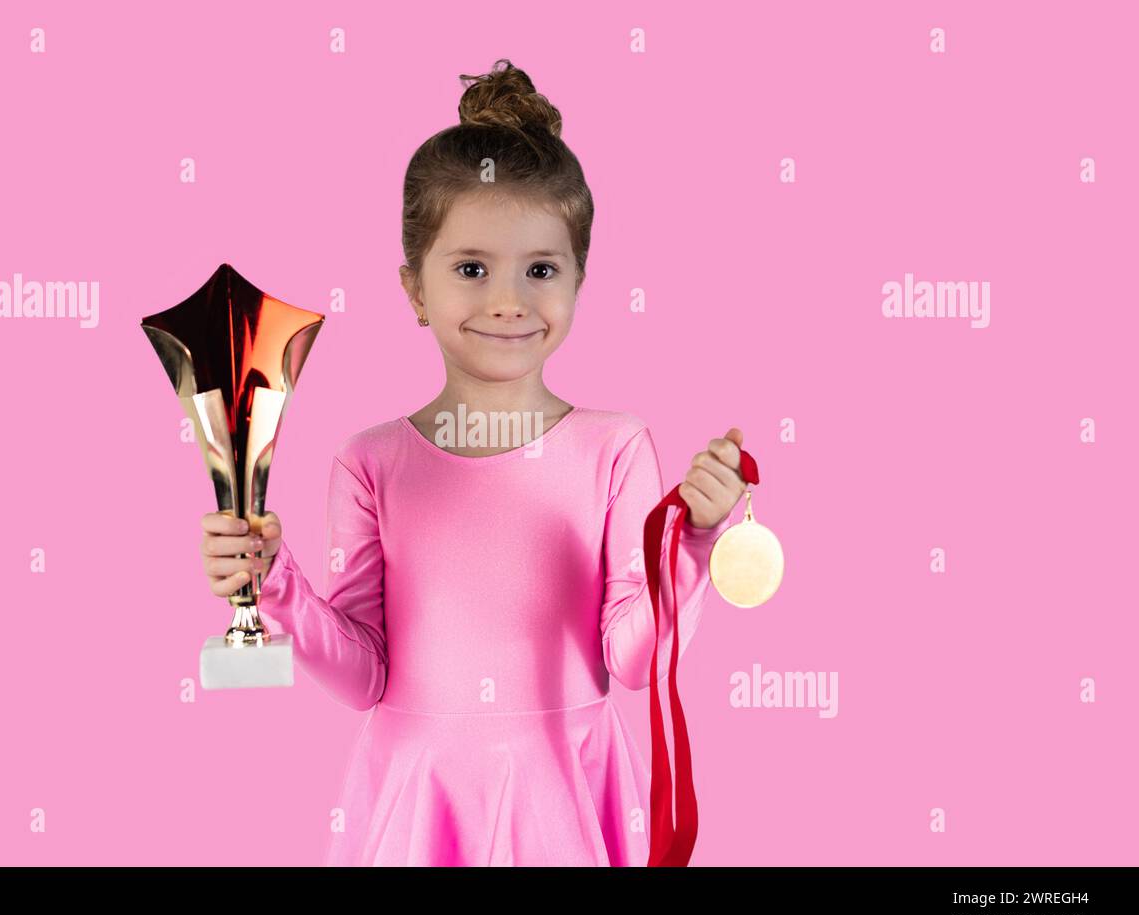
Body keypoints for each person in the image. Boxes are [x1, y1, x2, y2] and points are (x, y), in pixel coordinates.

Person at [200, 59, 748, 865]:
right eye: (470, 269)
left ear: (578, 280)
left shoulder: (615, 447)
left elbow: (631, 664)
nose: (508, 300)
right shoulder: (370, 463)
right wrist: (272, 582)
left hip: (568, 793)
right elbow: (363, 676)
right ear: (413, 290)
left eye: (540, 270)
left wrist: (690, 541)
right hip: (423, 803)